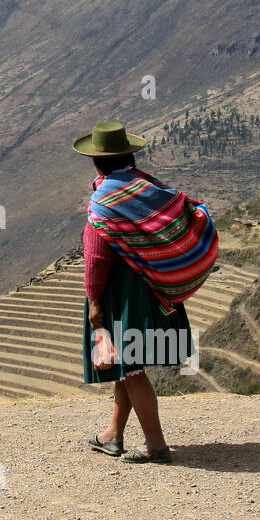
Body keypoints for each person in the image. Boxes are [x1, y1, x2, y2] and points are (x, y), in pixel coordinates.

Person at [73, 121, 197, 464]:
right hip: (155, 288)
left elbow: (97, 256)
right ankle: (113, 435)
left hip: (123, 296)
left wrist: (95, 302)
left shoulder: (106, 199)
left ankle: (156, 444)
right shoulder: (148, 186)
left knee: (131, 366)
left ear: (97, 162)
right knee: (126, 366)